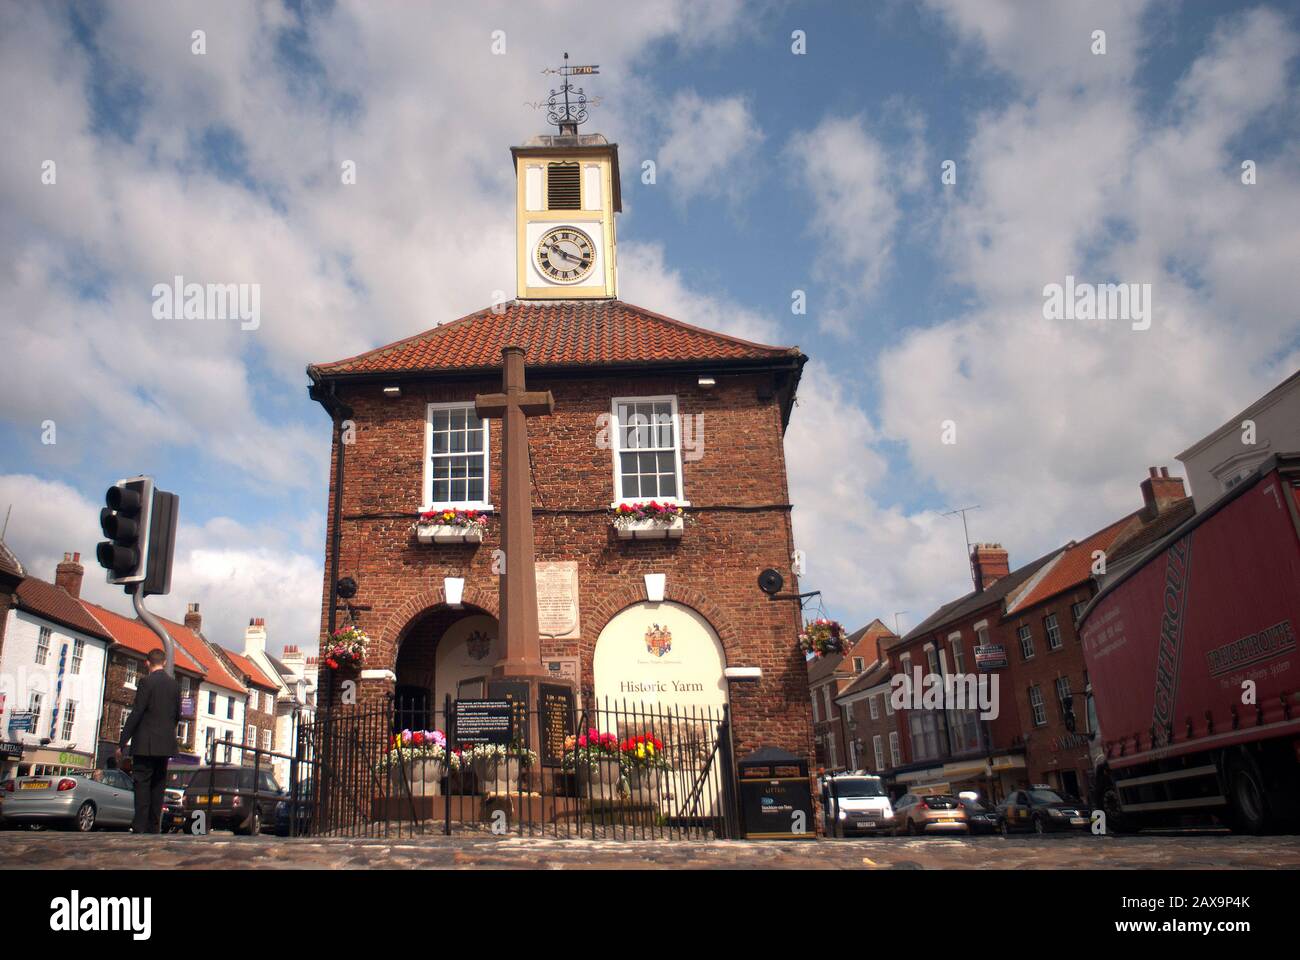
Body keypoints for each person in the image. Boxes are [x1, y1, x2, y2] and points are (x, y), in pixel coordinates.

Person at [117, 647, 180, 834]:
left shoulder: (146, 682)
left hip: (145, 743)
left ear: (147, 663)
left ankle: (140, 825)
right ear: (165, 663)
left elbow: (137, 712)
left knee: (142, 784)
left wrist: (122, 741)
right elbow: (177, 715)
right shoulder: (174, 685)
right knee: (159, 785)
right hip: (165, 744)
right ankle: (154, 826)